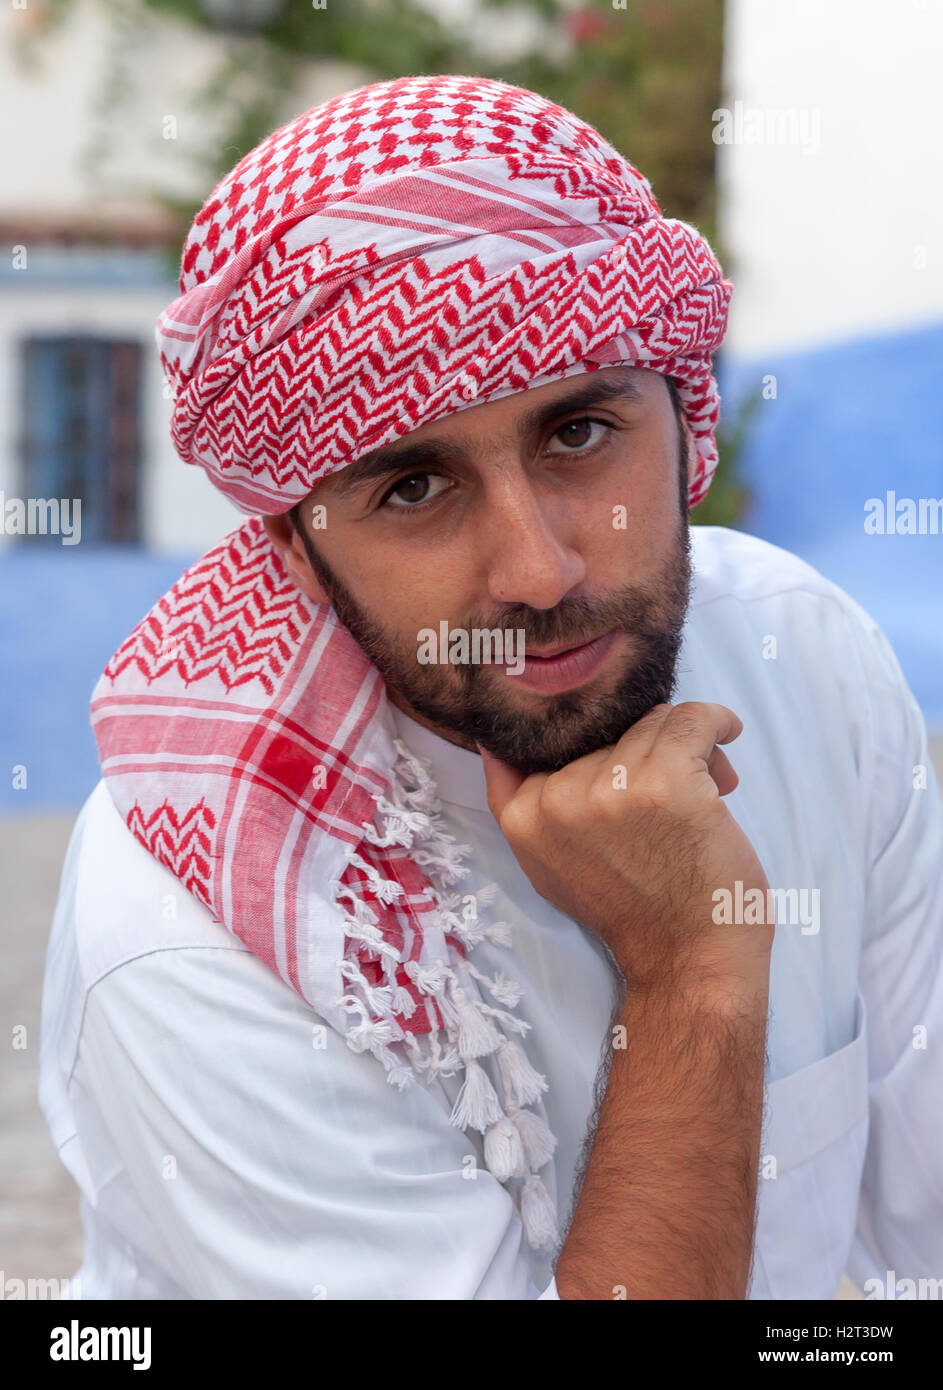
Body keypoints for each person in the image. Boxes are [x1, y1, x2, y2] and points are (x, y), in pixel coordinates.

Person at [39, 74, 943, 1300]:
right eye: (412, 488)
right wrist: (690, 970)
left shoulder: (808, 663)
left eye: (578, 433)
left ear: (682, 418)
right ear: (296, 547)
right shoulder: (195, 937)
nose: (540, 569)